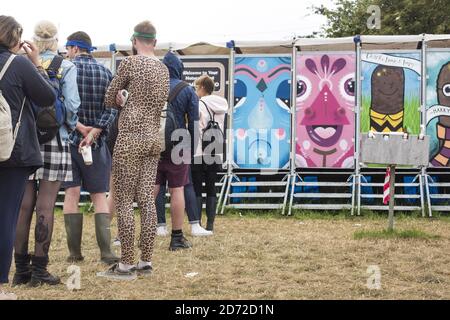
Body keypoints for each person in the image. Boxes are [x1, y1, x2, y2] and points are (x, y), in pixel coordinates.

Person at [100, 20, 169, 279]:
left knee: (124, 201)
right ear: (154, 41)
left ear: (134, 40)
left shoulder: (130, 63)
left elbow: (109, 97)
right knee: (147, 201)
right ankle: (146, 261)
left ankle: (126, 264)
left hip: (130, 137)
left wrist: (121, 99)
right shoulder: (163, 69)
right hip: (153, 138)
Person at [13, 21, 80, 287]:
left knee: (23, 205)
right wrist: (68, 128)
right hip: (55, 139)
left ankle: (20, 270)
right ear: (56, 40)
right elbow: (73, 106)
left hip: (26, 141)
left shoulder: (22, 63)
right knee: (46, 205)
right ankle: (40, 270)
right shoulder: (66, 67)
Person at [0, 15, 55, 300]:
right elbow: (48, 97)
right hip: (12, 151)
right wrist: (36, 64)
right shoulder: (18, 63)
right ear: (14, 37)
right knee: (5, 217)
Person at [62, 31, 118, 264]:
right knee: (99, 196)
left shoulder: (64, 70)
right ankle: (106, 253)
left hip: (69, 143)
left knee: (71, 194)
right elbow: (113, 109)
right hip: (96, 145)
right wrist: (95, 131)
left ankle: (75, 253)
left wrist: (79, 127)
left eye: (67, 48)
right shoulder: (106, 73)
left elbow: (61, 107)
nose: (66, 53)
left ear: (75, 48)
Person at [156, 51, 201, 250]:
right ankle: (176, 237)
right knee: (177, 189)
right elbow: (194, 123)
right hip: (179, 144)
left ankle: (149, 231)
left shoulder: (153, 87)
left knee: (153, 188)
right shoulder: (187, 90)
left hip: (154, 143)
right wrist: (192, 147)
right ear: (179, 69)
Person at [192, 75, 228, 232]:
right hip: (215, 151)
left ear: (202, 88)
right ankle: (211, 224)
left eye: (196, 87)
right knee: (212, 187)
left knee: (198, 187)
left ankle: (198, 223)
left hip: (200, 150)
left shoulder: (198, 105)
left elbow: (195, 126)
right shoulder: (222, 104)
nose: (196, 91)